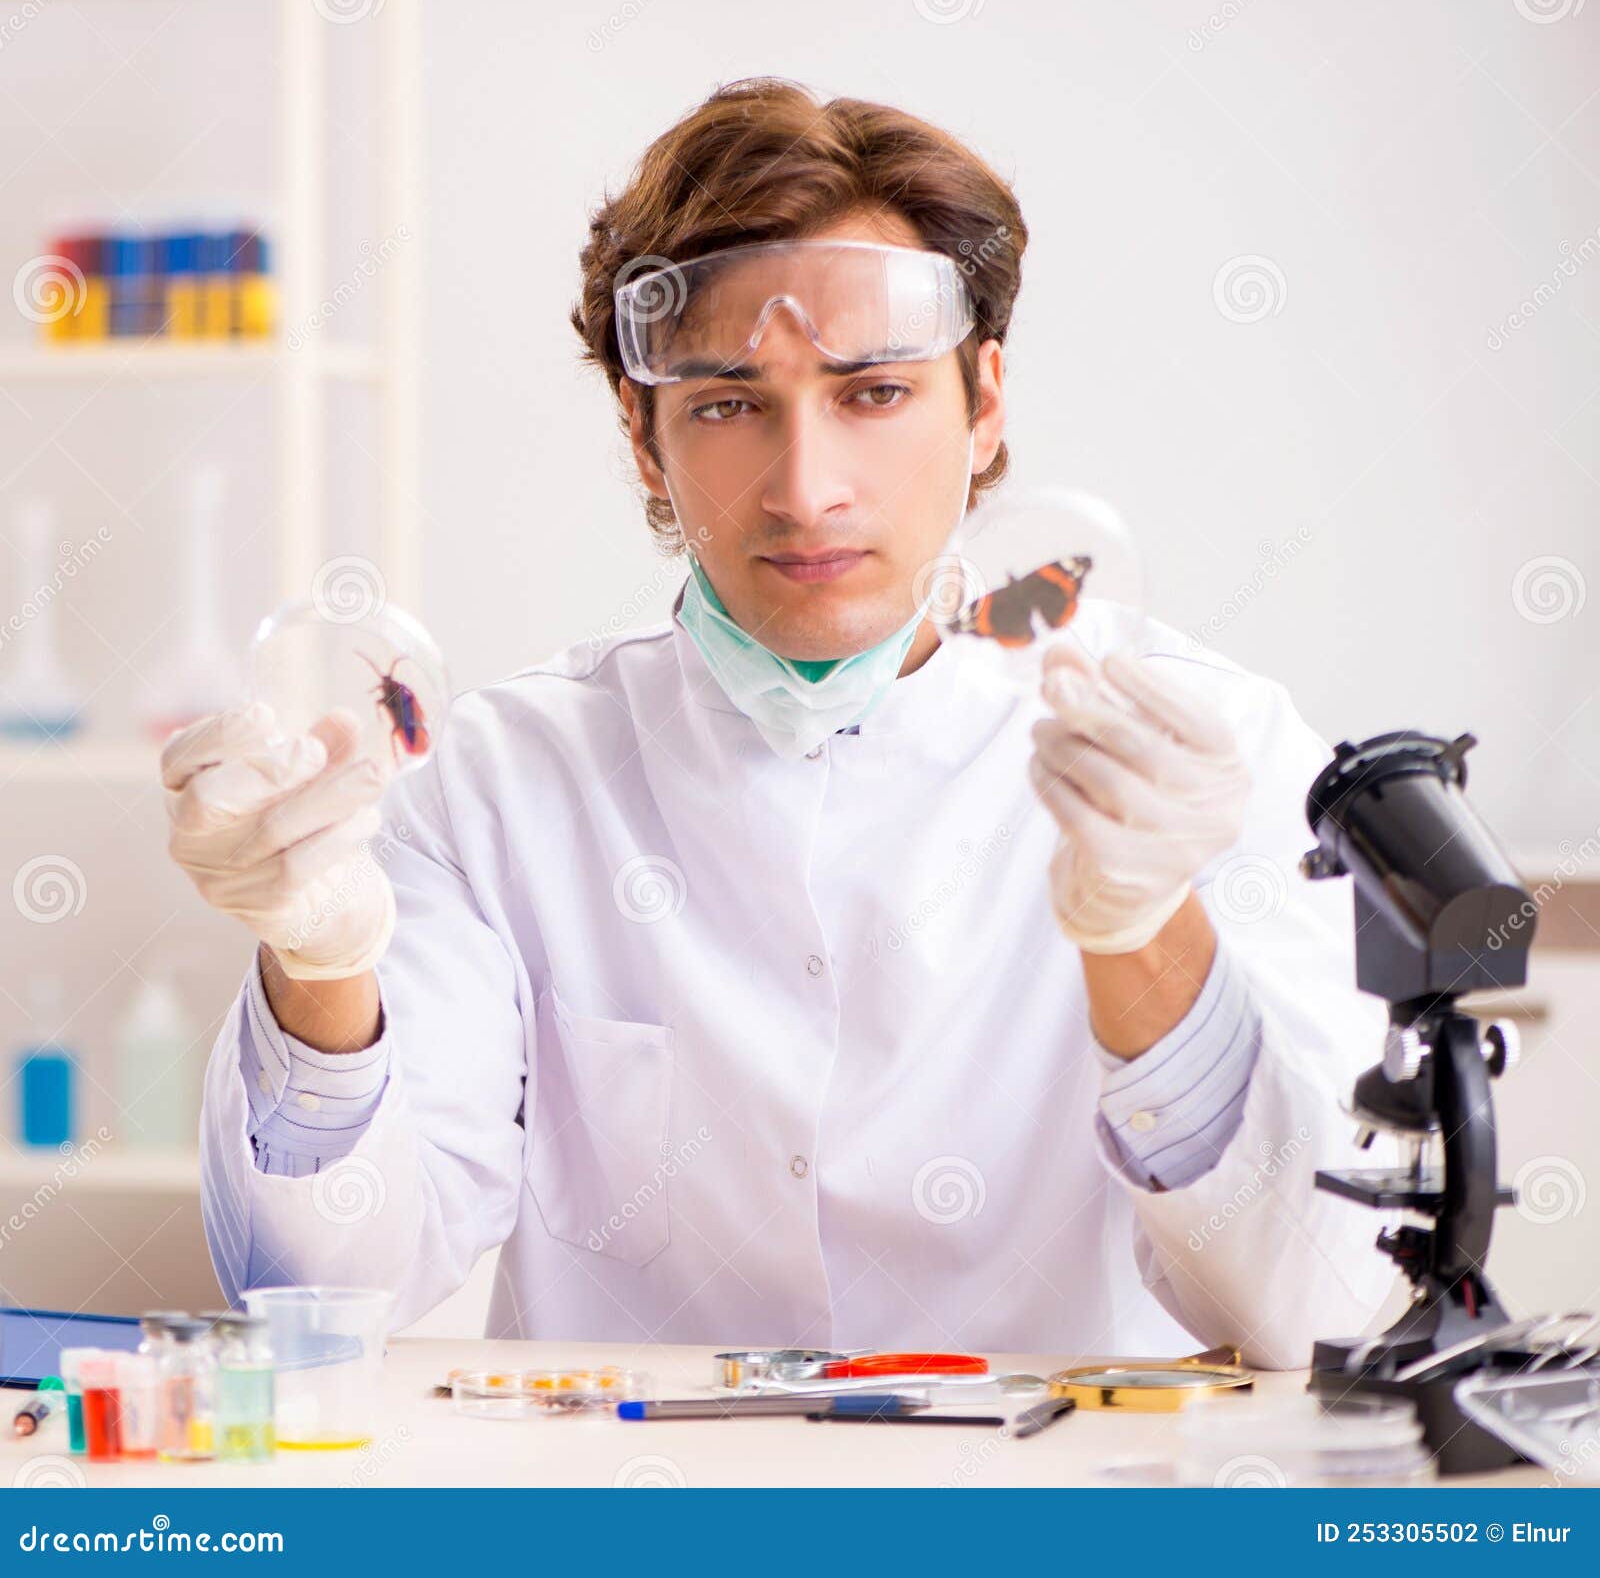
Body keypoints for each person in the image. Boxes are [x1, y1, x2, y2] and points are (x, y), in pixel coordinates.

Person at [168, 78, 1395, 1363]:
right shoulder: (496, 781)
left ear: (983, 405)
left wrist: (1147, 935)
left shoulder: (1204, 752)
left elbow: (1300, 1308)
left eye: (871, 393)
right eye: (728, 403)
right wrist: (319, 970)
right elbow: (319, 1294)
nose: (805, 490)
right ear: (645, 443)